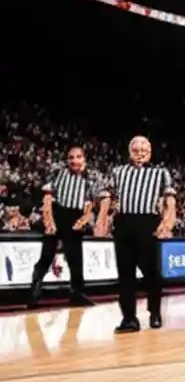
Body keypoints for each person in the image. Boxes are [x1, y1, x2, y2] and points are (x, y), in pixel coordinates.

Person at [94, 136, 177, 333]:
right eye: (136, 150)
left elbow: (170, 200)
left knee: (151, 272)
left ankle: (154, 311)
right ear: (130, 151)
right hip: (124, 222)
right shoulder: (118, 172)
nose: (140, 154)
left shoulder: (161, 173)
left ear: (150, 153)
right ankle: (129, 318)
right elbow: (107, 196)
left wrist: (167, 223)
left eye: (144, 150)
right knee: (125, 273)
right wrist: (102, 219)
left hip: (148, 222)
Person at [28, 145, 97, 308]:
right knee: (47, 254)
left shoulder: (90, 179)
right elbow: (47, 198)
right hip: (57, 212)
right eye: (71, 157)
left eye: (78, 157)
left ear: (84, 159)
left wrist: (82, 221)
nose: (74, 160)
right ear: (67, 160)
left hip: (75, 216)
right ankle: (34, 292)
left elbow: (89, 204)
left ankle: (77, 294)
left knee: (75, 259)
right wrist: (48, 220)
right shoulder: (58, 173)